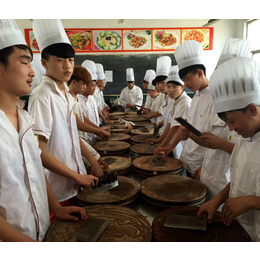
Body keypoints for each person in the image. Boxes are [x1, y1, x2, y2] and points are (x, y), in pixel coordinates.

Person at [0, 19, 87, 242]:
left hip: (41, 228)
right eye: (24, 62)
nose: (32, 71)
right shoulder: (41, 96)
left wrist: (56, 209)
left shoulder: (23, 117)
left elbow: (35, 168)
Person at [28, 19, 101, 223]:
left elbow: (72, 137)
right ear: (44, 63)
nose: (67, 66)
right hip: (57, 191)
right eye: (60, 60)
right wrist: (77, 176)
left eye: (70, 60)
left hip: (74, 184)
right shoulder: (42, 95)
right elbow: (38, 151)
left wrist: (92, 162)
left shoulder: (66, 95)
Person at [197, 57, 260, 242]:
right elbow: (240, 178)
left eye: (231, 122)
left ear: (252, 110)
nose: (231, 129)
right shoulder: (244, 136)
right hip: (241, 228)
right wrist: (217, 200)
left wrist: (251, 201)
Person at [183, 38, 252, 202]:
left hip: (225, 185)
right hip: (210, 180)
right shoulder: (218, 107)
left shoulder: (248, 118)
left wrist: (220, 144)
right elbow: (207, 140)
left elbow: (247, 157)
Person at [154, 40, 213, 178]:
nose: (185, 85)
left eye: (187, 80)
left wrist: (206, 165)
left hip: (202, 165)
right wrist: (169, 147)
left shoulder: (213, 98)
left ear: (200, 73)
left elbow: (215, 138)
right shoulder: (197, 96)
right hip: (188, 159)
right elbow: (184, 127)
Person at [68, 65, 109, 169]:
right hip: (77, 143)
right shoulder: (68, 100)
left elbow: (83, 118)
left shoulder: (75, 99)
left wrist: (99, 130)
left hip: (83, 141)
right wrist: (99, 131)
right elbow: (80, 124)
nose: (85, 87)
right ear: (73, 82)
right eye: (83, 84)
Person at [152, 65, 191, 159]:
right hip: (172, 143)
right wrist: (161, 141)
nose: (171, 90)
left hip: (179, 143)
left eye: (174, 86)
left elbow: (175, 128)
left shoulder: (185, 102)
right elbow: (170, 123)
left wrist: (162, 146)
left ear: (183, 86)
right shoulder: (174, 100)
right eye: (168, 86)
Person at [78, 60, 102, 145]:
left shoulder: (91, 98)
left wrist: (99, 130)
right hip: (85, 141)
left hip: (94, 138)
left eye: (95, 85)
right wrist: (99, 130)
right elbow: (83, 121)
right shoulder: (78, 100)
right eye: (92, 85)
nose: (94, 88)